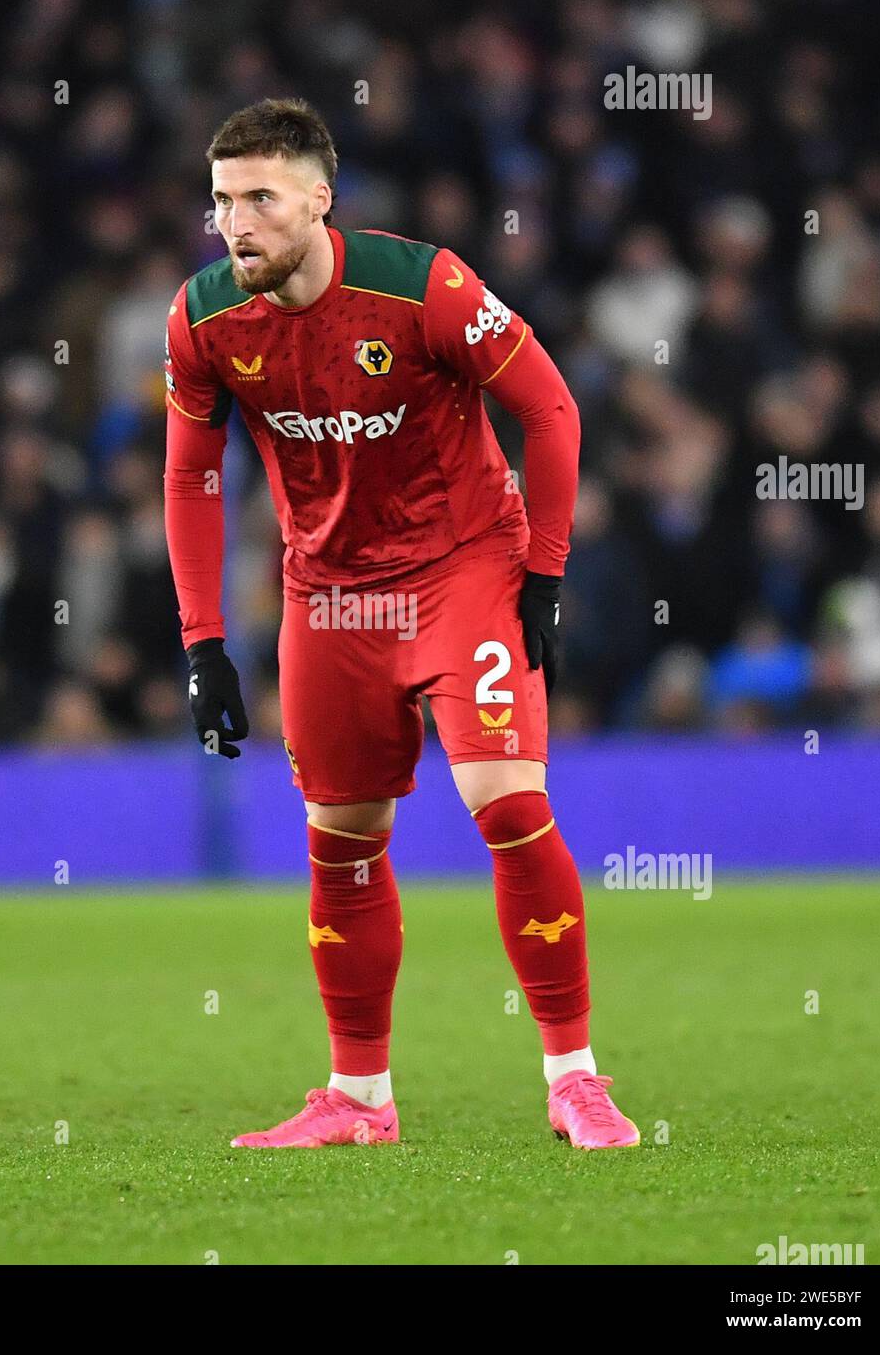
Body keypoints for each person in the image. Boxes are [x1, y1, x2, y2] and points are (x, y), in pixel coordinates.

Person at [164, 98, 638, 1150]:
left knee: (506, 805)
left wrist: (544, 577)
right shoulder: (202, 320)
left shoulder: (423, 286)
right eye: (221, 203)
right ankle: (358, 1098)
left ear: (318, 201)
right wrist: (203, 640)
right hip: (326, 596)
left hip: (460, 565)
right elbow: (191, 476)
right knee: (340, 841)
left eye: (259, 199)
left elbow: (550, 408)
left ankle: (574, 1077)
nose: (234, 224)